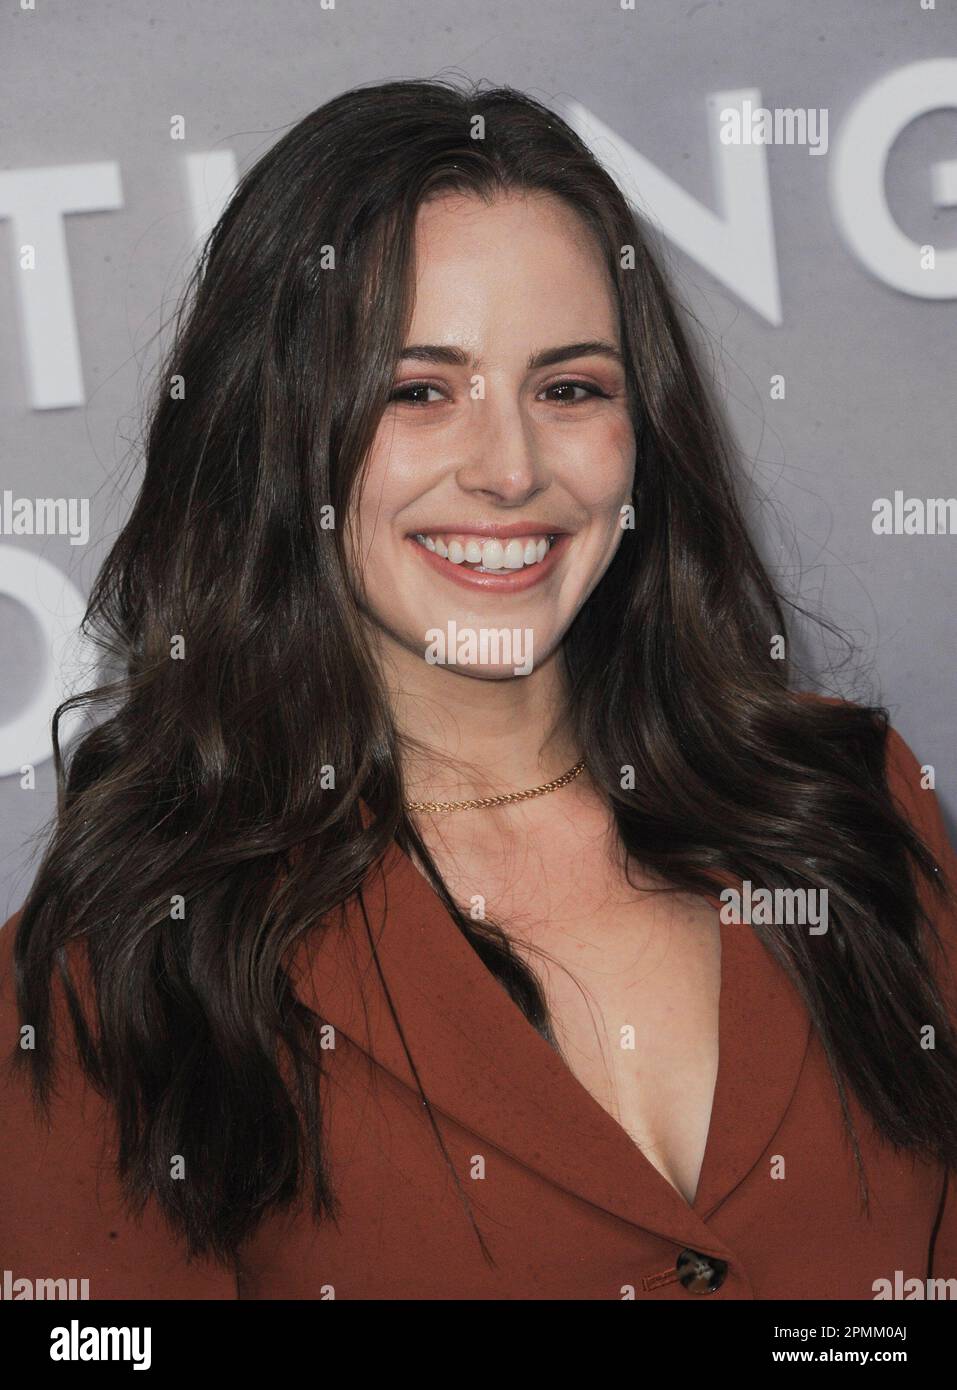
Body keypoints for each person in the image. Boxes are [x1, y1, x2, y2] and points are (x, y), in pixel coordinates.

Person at [1, 77, 956, 1301]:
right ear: (281, 435)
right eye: (418, 390)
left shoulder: (847, 809)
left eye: (570, 388)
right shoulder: (133, 953)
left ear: (641, 435)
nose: (510, 468)